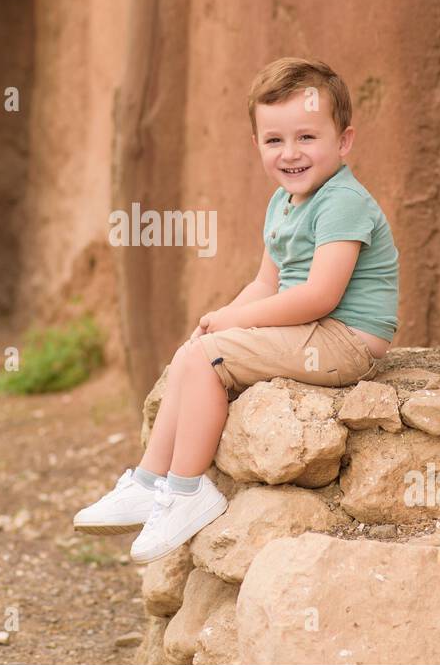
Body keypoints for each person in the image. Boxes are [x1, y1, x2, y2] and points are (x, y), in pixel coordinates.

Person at [74, 57, 400, 563]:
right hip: (312, 331)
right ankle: (148, 480)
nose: (291, 153)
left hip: (344, 340)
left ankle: (189, 491)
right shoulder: (283, 202)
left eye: (307, 138)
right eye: (275, 141)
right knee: (195, 350)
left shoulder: (343, 202)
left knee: (210, 359)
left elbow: (320, 296)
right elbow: (266, 282)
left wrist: (235, 325)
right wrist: (222, 315)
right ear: (257, 146)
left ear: (345, 141)